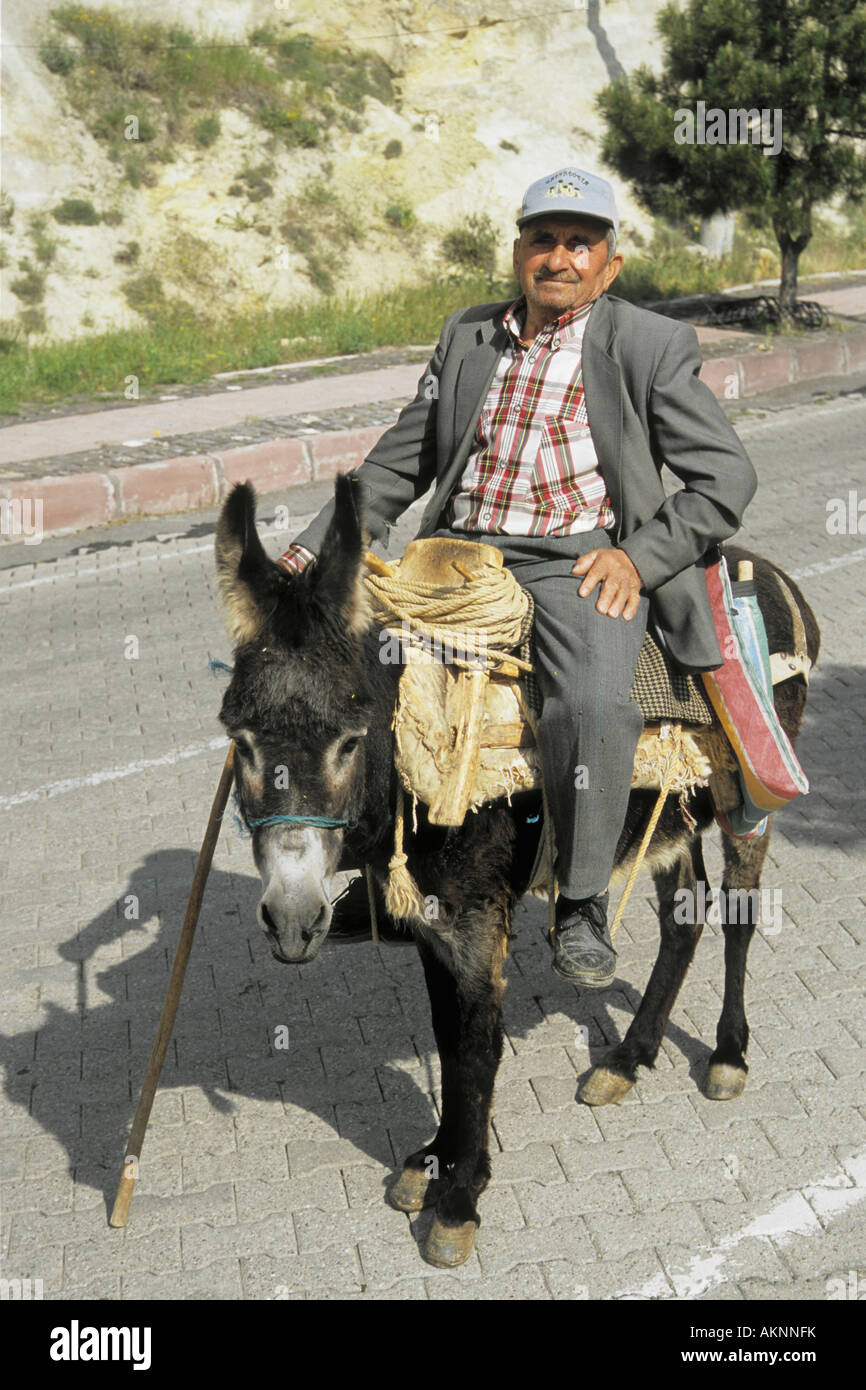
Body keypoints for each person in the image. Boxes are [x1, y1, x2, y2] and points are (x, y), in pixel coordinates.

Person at [278, 166, 757, 988]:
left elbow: (725, 479)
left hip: (577, 559)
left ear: (610, 264)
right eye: (544, 239)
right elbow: (402, 462)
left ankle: (580, 901)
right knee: (337, 684)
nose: (559, 257)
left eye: (581, 243)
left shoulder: (647, 344)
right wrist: (315, 551)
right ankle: (362, 870)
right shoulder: (468, 336)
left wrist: (636, 559)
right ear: (517, 252)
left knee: (595, 704)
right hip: (458, 553)